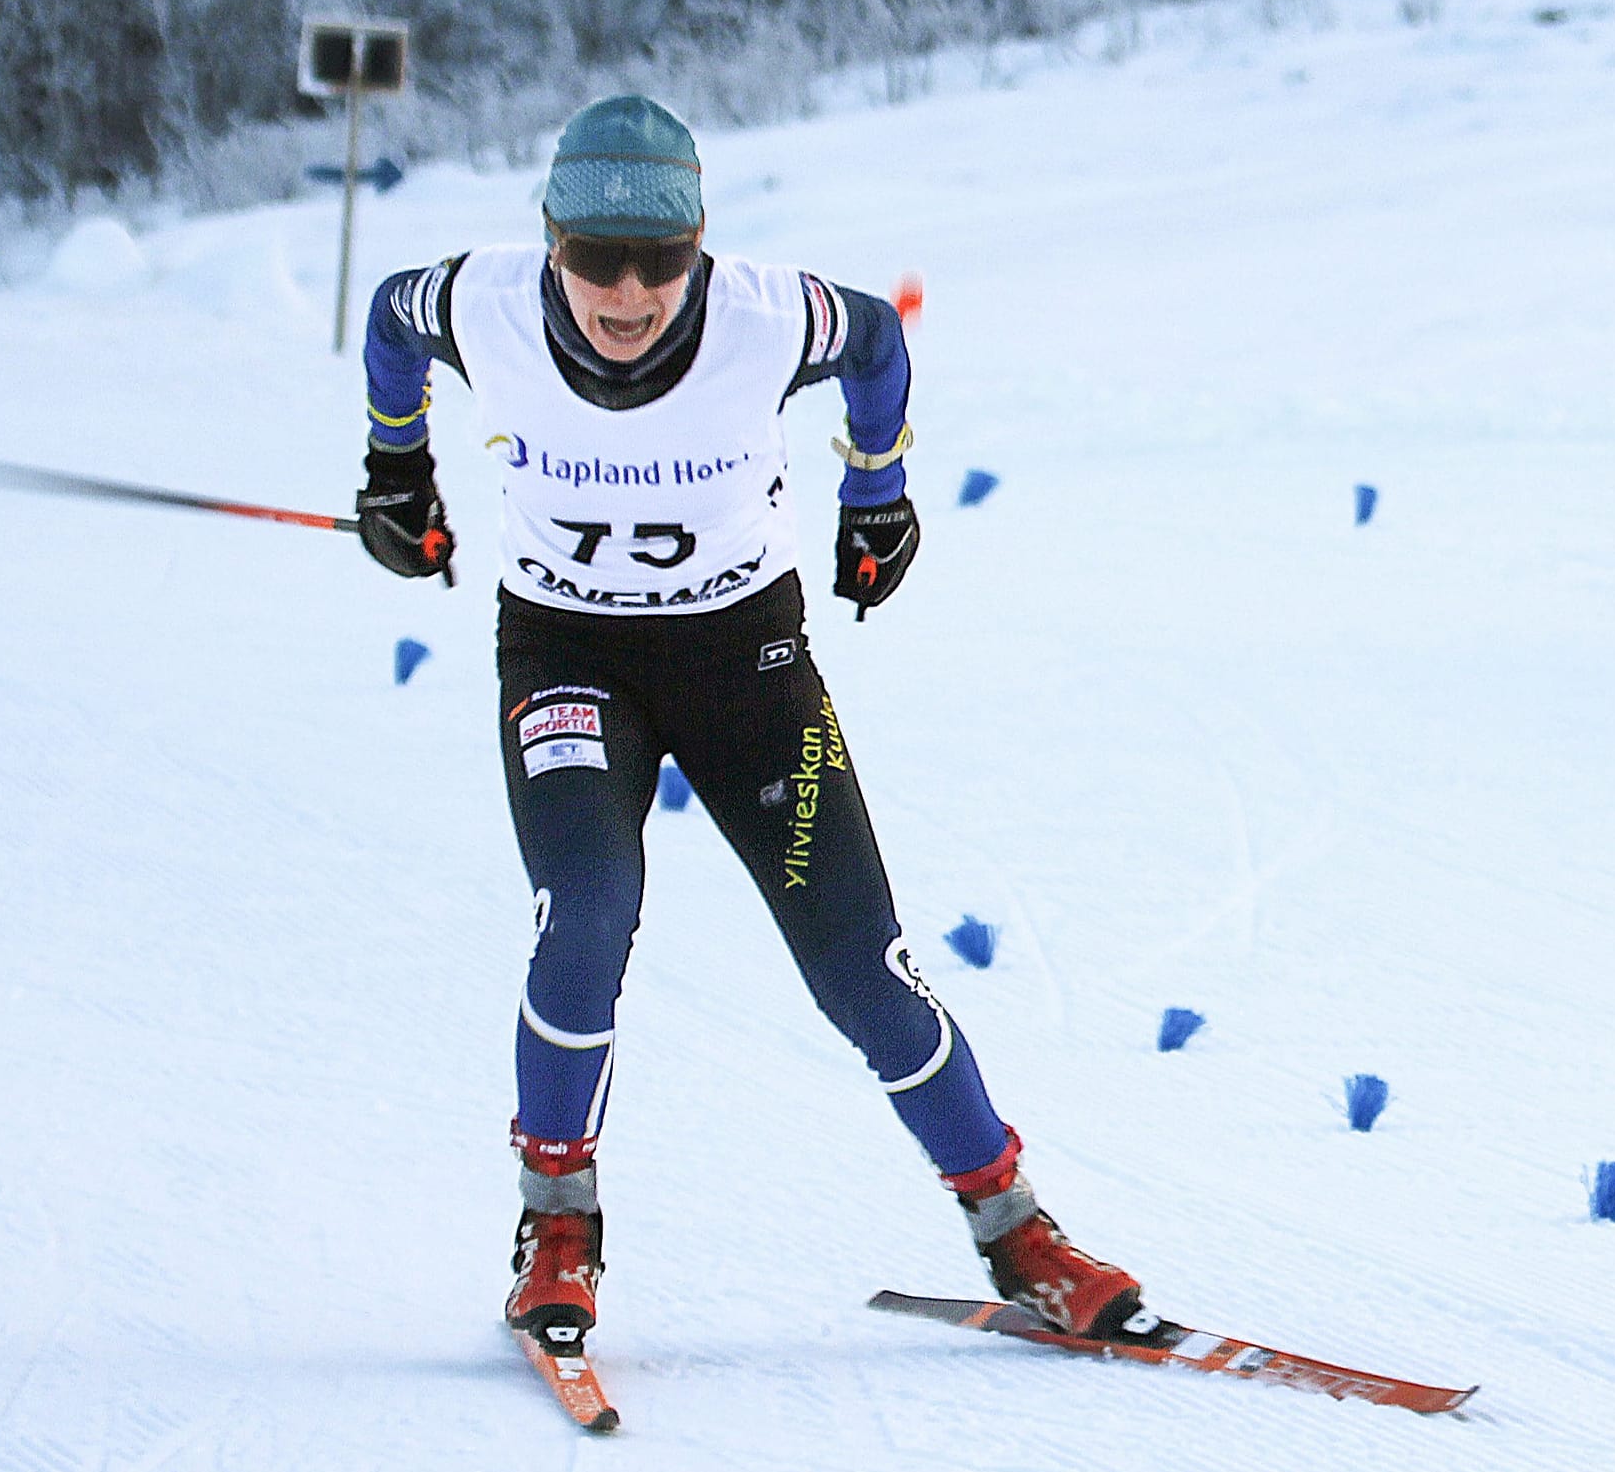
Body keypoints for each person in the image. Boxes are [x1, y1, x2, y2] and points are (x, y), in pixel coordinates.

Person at [352, 94, 1143, 1354]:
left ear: (699, 243)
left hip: (747, 667)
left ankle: (1019, 1235)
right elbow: (391, 316)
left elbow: (878, 340)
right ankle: (558, 1229)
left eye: (659, 261)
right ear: (548, 241)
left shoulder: (770, 318)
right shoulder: (480, 301)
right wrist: (397, 468)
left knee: (861, 968)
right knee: (585, 911)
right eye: (594, 259)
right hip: (566, 659)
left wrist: (876, 495)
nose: (626, 294)